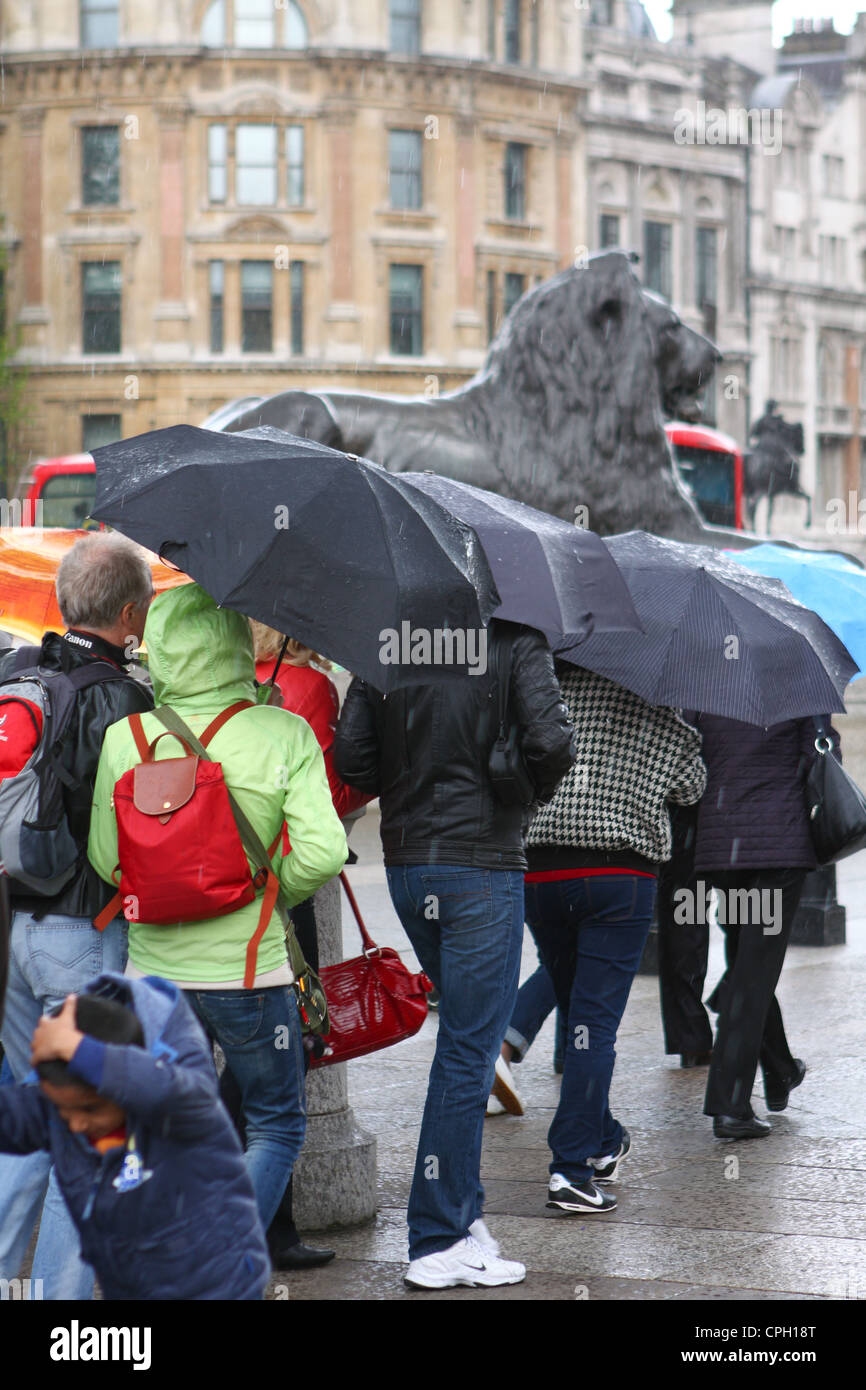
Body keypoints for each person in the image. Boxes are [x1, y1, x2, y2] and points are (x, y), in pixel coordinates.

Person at [88, 583, 348, 1237]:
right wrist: (262, 888)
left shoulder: (129, 737)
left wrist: (165, 886)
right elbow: (324, 852)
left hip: (152, 977)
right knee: (276, 1121)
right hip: (248, 972)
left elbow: (104, 858)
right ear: (235, 645)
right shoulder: (282, 730)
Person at [335, 619, 575, 1289]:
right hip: (481, 866)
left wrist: (410, 779)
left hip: (410, 865)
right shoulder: (517, 641)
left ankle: (463, 1220)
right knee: (469, 1049)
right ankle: (438, 1235)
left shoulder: (389, 639)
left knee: (465, 1040)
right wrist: (521, 792)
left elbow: (352, 758)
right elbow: (553, 741)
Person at [0, 532, 154, 1299]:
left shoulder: (14, 673)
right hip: (79, 934)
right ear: (130, 615)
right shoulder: (122, 697)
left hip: (11, 926)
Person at [523, 666, 706, 1214]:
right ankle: (571, 1169)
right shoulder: (662, 708)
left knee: (577, 1013)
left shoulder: (549, 692)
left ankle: (602, 1140)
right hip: (620, 879)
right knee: (592, 1026)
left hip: (541, 872)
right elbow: (692, 786)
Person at [224, 621, 373, 1270]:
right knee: (284, 1059)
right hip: (282, 895)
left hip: (214, 894)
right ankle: (269, 1229)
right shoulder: (308, 685)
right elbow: (332, 798)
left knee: (232, 1054)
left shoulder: (211, 690)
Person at [0, 977, 270, 1300]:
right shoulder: (70, 1113)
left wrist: (76, 1047)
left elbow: (158, 1088)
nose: (76, 1122)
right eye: (63, 1108)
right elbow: (14, 1115)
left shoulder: (187, 1112)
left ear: (120, 1087)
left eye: (89, 1108)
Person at [692, 714, 834, 1138]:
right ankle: (730, 1105)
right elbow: (819, 756)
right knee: (752, 975)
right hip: (777, 848)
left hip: (724, 848)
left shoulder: (704, 689)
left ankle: (780, 1069)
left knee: (747, 965)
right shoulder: (795, 686)